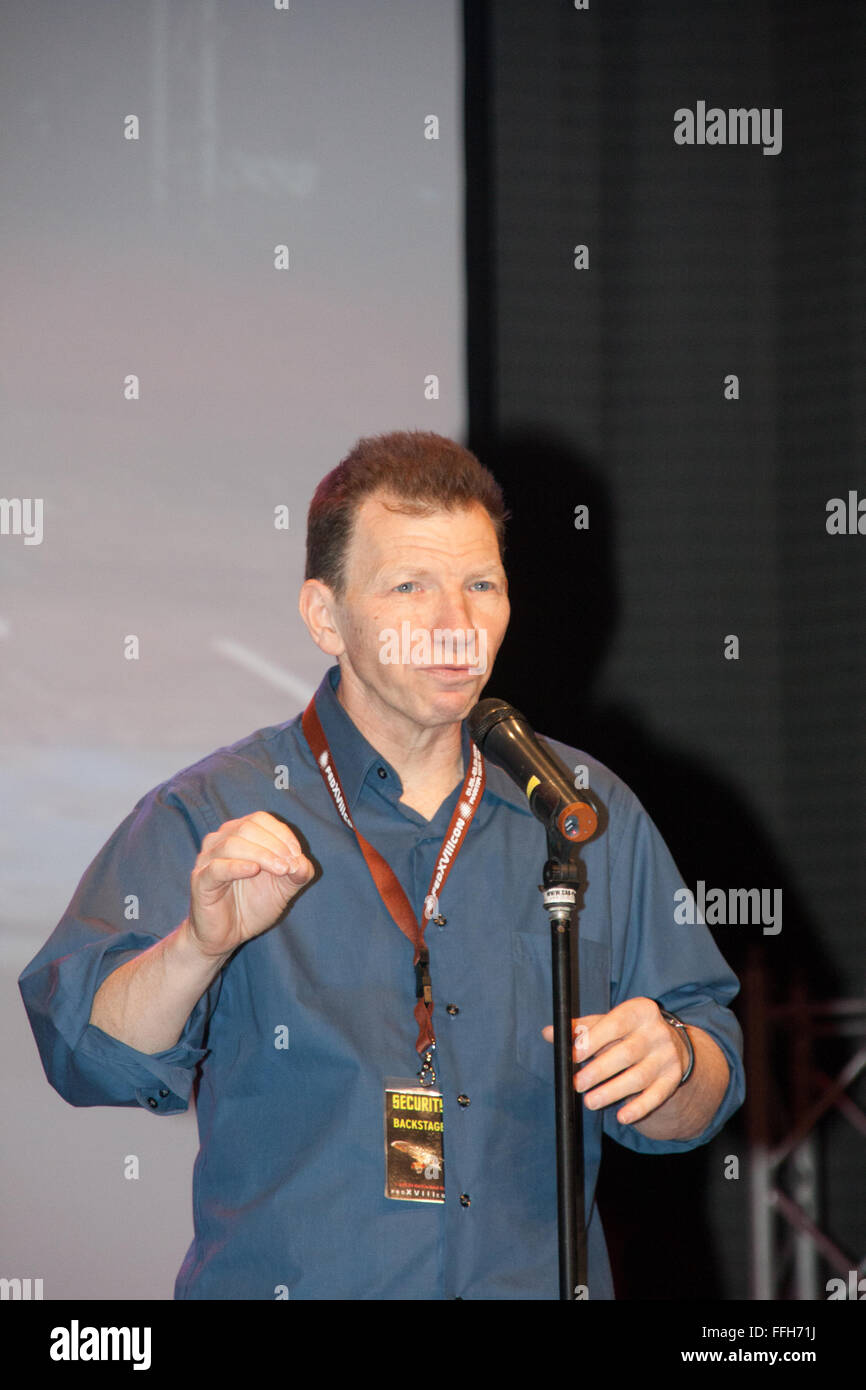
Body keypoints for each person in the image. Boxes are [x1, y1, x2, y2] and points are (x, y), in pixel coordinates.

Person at [19, 430, 744, 1300]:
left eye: (482, 586)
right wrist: (195, 948)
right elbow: (82, 1059)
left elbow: (708, 1073)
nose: (455, 624)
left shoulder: (582, 811)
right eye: (411, 587)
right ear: (326, 616)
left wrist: (673, 1063)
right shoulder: (213, 810)